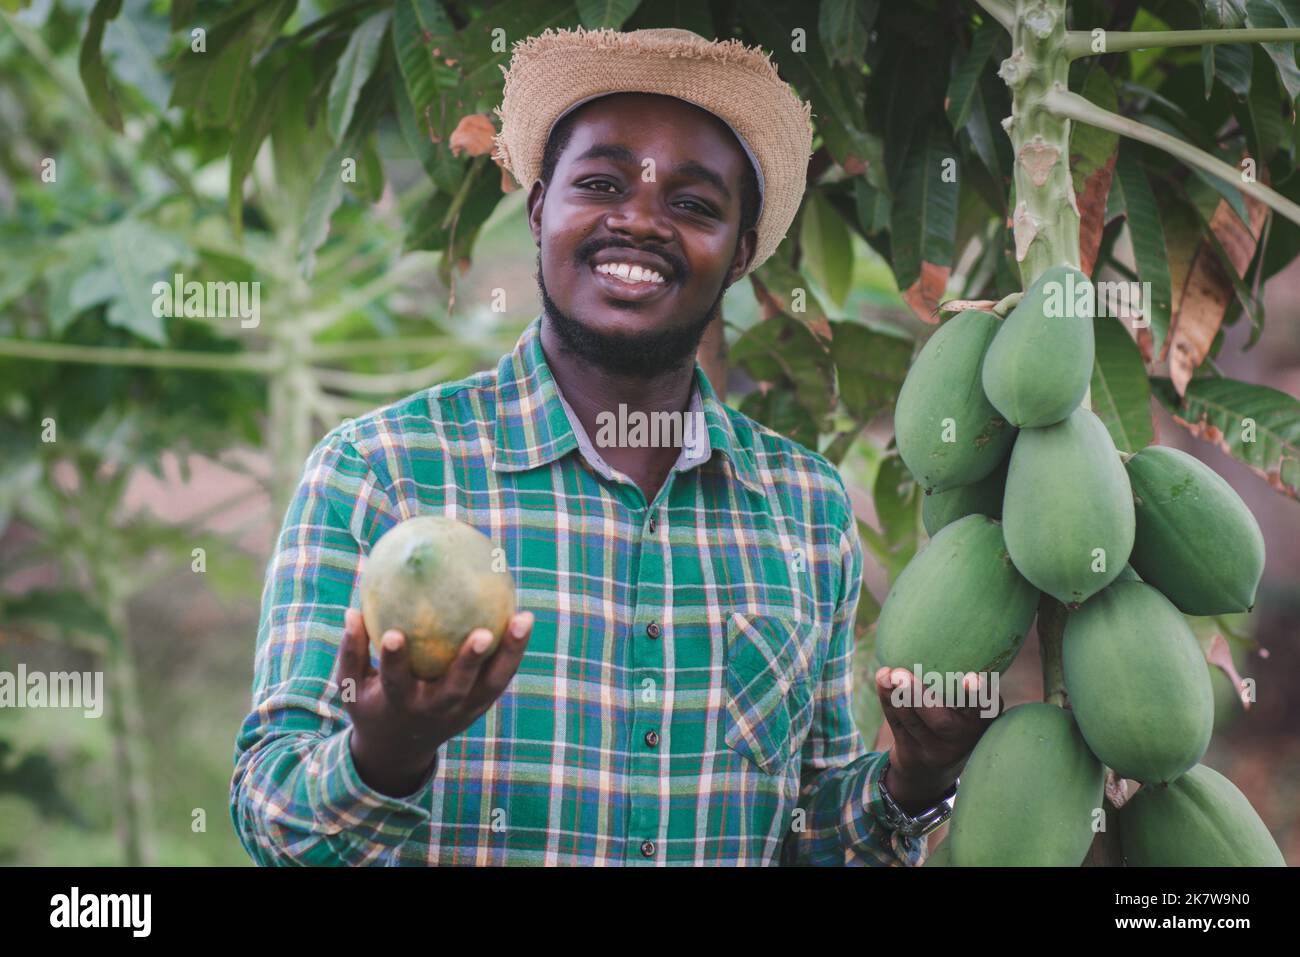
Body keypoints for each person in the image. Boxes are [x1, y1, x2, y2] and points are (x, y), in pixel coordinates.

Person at [231, 26, 993, 866]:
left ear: (740, 253)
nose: (639, 221)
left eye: (694, 205)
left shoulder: (805, 508)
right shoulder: (380, 471)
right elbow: (274, 821)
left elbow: (806, 837)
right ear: (538, 209)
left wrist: (912, 780)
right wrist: (387, 754)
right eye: (600, 183)